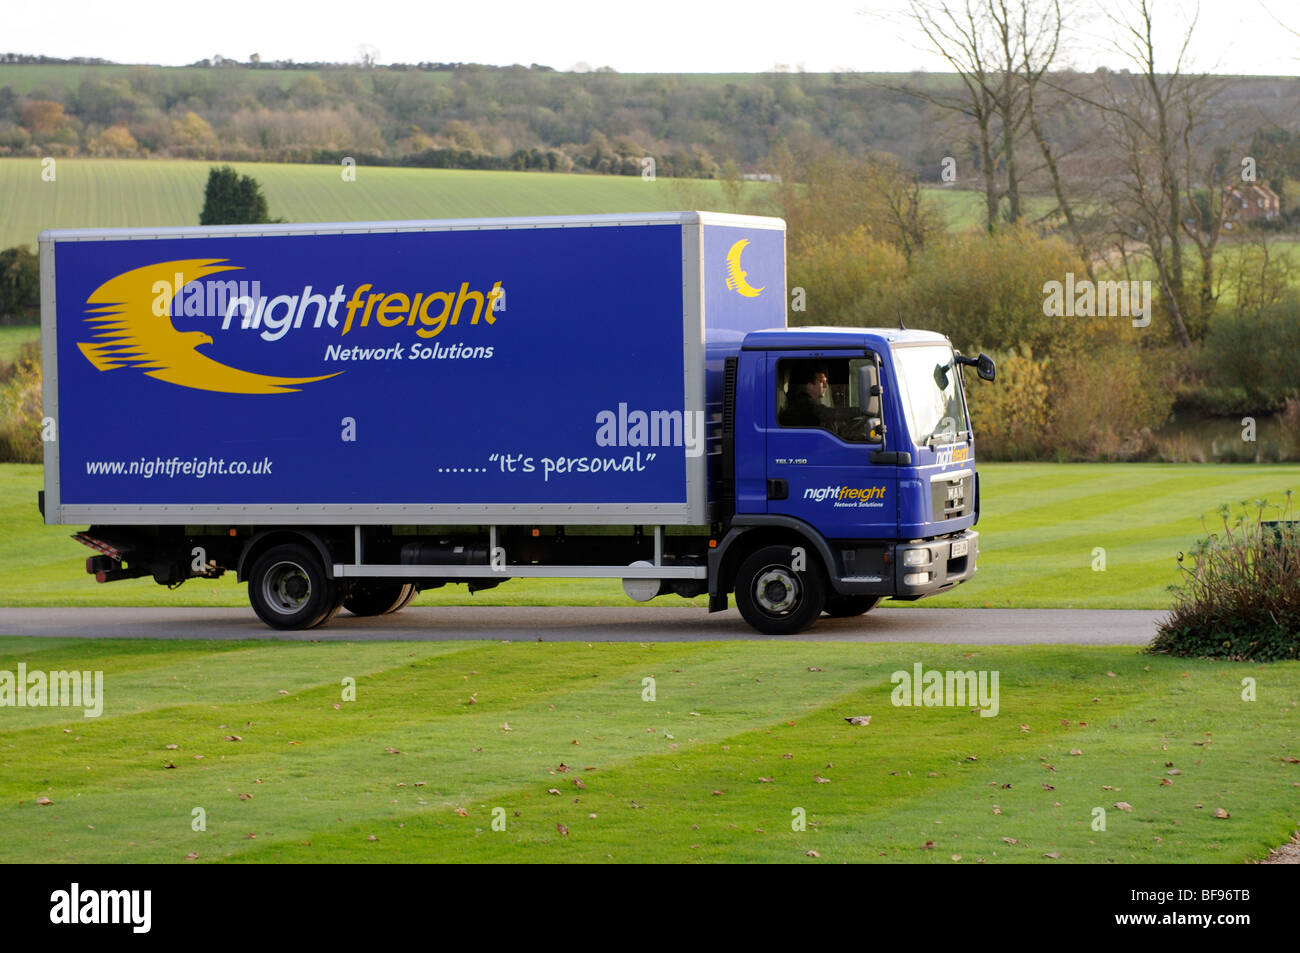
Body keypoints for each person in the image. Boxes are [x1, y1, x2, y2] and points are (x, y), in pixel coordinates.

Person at [781, 364, 868, 437]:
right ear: (809, 385)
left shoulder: (806, 403)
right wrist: (862, 411)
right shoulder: (801, 404)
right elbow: (826, 413)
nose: (826, 386)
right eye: (822, 381)